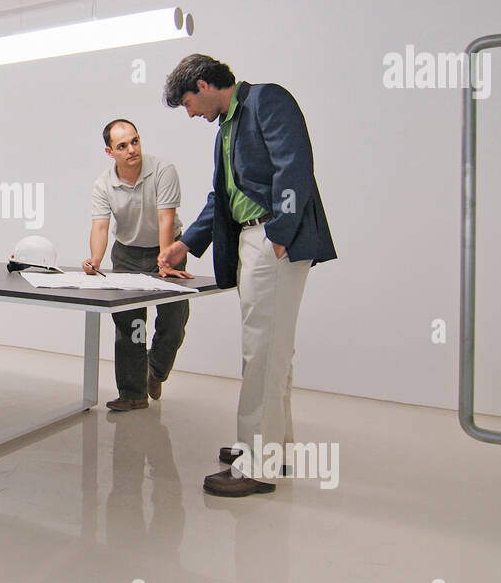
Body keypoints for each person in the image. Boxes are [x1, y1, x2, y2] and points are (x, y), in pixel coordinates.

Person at [157, 55, 336, 497]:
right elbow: (223, 196)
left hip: (272, 239)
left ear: (203, 84)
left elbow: (294, 166)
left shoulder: (266, 101)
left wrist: (280, 233)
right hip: (252, 242)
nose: (191, 113)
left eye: (188, 103)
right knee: (270, 350)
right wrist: (186, 244)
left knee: (262, 350)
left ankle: (258, 466)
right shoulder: (228, 128)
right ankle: (275, 448)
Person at [86, 119, 190, 411]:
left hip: (168, 247)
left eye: (135, 141)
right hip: (127, 255)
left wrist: (166, 259)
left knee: (173, 322)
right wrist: (95, 260)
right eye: (122, 146)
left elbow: (165, 219)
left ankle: (155, 371)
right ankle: (132, 393)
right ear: (110, 152)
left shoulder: (163, 171)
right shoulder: (103, 184)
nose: (131, 149)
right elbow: (101, 228)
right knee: (131, 324)